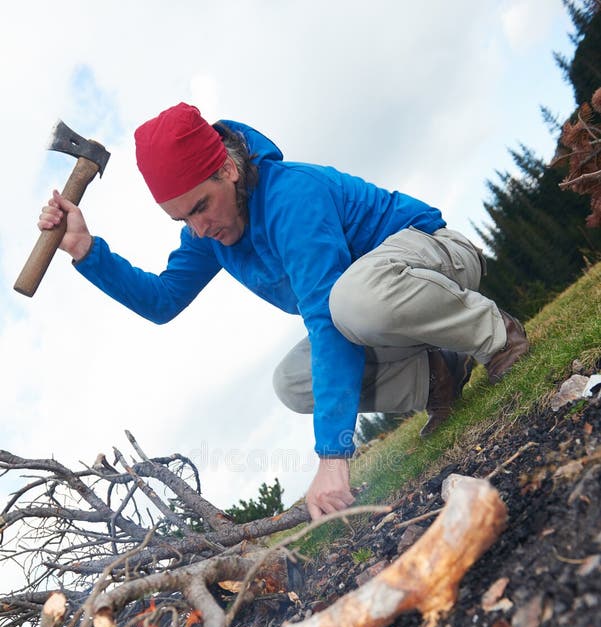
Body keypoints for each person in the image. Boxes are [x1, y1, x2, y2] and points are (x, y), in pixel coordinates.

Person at [38, 103, 529, 520]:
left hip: (440, 259)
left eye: (201, 206)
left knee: (347, 304)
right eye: (183, 217)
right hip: (375, 310)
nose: (199, 226)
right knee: (292, 381)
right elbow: (162, 300)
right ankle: (438, 375)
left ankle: (496, 335)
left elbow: (325, 316)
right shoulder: (209, 234)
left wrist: (333, 456)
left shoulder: (291, 197)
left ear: (227, 169)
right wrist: (86, 250)